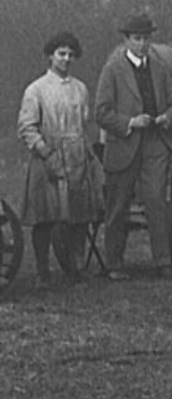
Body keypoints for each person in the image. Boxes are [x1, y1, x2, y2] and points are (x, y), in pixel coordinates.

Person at [95, 13, 172, 281]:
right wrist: (130, 122)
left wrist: (167, 117)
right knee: (118, 205)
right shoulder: (112, 70)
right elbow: (101, 112)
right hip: (124, 144)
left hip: (155, 143)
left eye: (146, 39)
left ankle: (163, 262)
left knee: (157, 202)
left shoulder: (159, 69)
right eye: (137, 39)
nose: (142, 44)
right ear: (126, 40)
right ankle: (114, 264)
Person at [17, 32, 104, 287]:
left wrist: (88, 157)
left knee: (78, 217)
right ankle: (43, 272)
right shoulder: (36, 89)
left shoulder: (80, 88)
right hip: (48, 158)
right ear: (50, 55)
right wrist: (46, 152)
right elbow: (26, 127)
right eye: (61, 54)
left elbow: (85, 125)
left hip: (77, 158)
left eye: (70, 54)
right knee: (45, 217)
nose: (66, 59)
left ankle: (75, 269)